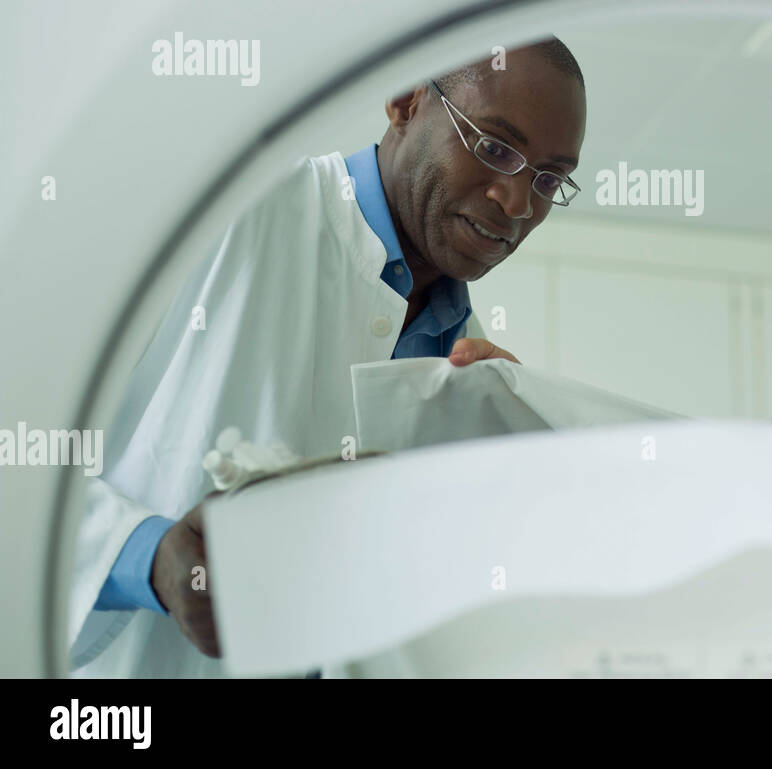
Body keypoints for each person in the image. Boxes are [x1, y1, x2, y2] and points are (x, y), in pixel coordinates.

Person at [68, 39, 586, 678]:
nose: (517, 202)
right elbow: (25, 454)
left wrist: (495, 473)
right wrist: (148, 558)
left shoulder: (471, 369)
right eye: (495, 148)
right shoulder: (229, 214)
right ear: (405, 101)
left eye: (549, 178)